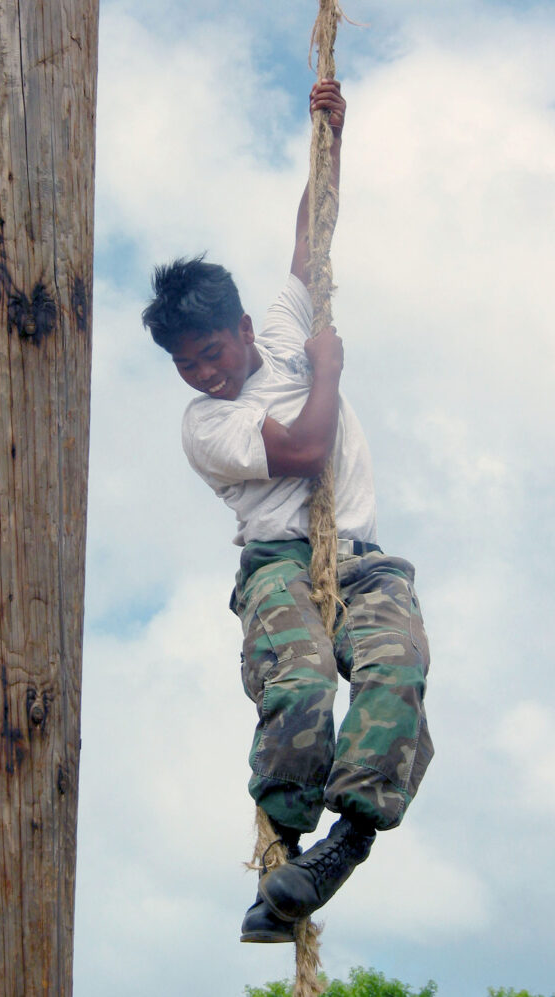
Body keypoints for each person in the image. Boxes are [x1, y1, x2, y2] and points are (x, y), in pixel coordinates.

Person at [141, 80, 433, 943]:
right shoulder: (207, 425)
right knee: (300, 684)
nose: (204, 373)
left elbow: (312, 246)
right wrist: (330, 370)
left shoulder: (278, 334)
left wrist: (329, 142)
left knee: (399, 669)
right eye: (185, 364)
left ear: (239, 326)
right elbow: (305, 451)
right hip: (279, 563)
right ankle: (283, 841)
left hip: (360, 555)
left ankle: (344, 843)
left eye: (211, 352)